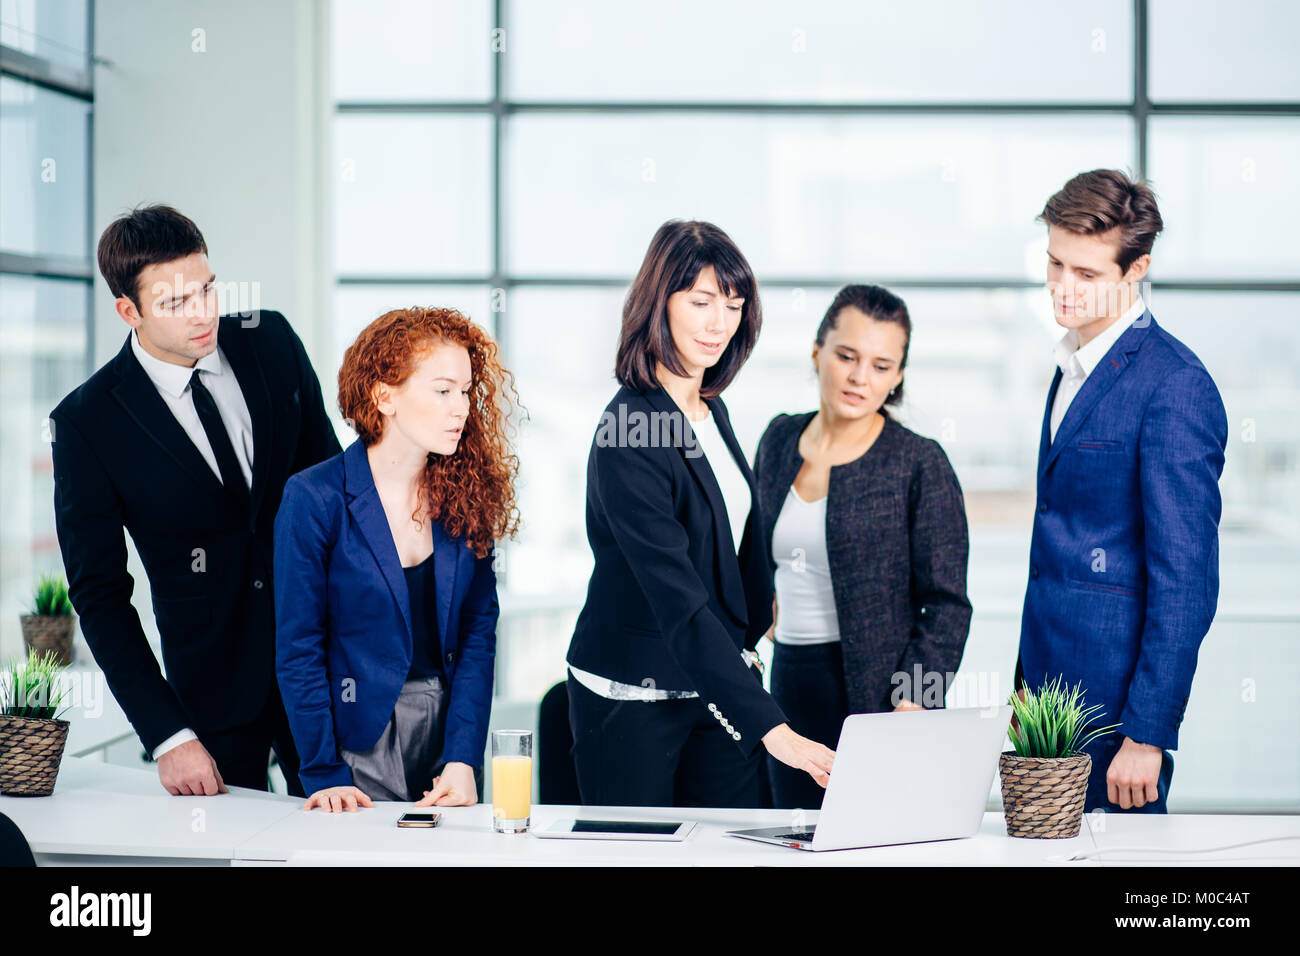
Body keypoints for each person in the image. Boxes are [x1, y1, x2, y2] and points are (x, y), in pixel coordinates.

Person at [50, 204, 341, 797]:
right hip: (211, 701)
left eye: (206, 289)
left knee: (357, 846)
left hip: (326, 666)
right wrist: (168, 735)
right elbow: (100, 597)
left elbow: (334, 495)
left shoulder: (272, 341)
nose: (203, 314)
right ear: (128, 311)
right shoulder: (88, 423)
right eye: (175, 303)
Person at [565, 219, 835, 809]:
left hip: (714, 687)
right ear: (658, 301)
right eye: (701, 301)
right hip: (631, 699)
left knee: (734, 846)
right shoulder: (629, 429)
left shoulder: (712, 410)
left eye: (734, 306)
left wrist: (756, 625)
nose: (720, 323)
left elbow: (734, 540)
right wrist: (775, 728)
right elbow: (676, 598)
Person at [1015, 169, 1228, 813]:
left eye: (1086, 274)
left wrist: (1148, 732)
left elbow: (1185, 577)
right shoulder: (1071, 367)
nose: (1063, 288)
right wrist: (1027, 688)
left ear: (1136, 269)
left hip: (1120, 717)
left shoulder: (1175, 384)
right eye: (1055, 264)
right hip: (1043, 704)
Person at [274, 307, 520, 812]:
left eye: (467, 391)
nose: (462, 408)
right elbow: (299, 647)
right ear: (384, 395)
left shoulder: (465, 493)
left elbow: (478, 632)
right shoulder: (314, 497)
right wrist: (323, 771)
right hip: (356, 737)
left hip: (446, 732)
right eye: (443, 390)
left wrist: (463, 758)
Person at [753, 284, 972, 810]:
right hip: (787, 684)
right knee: (787, 840)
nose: (859, 377)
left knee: (869, 844)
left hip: (879, 697)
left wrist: (914, 701)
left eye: (880, 365)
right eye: (846, 356)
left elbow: (947, 605)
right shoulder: (779, 439)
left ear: (897, 376)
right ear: (817, 353)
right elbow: (757, 555)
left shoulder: (918, 462)